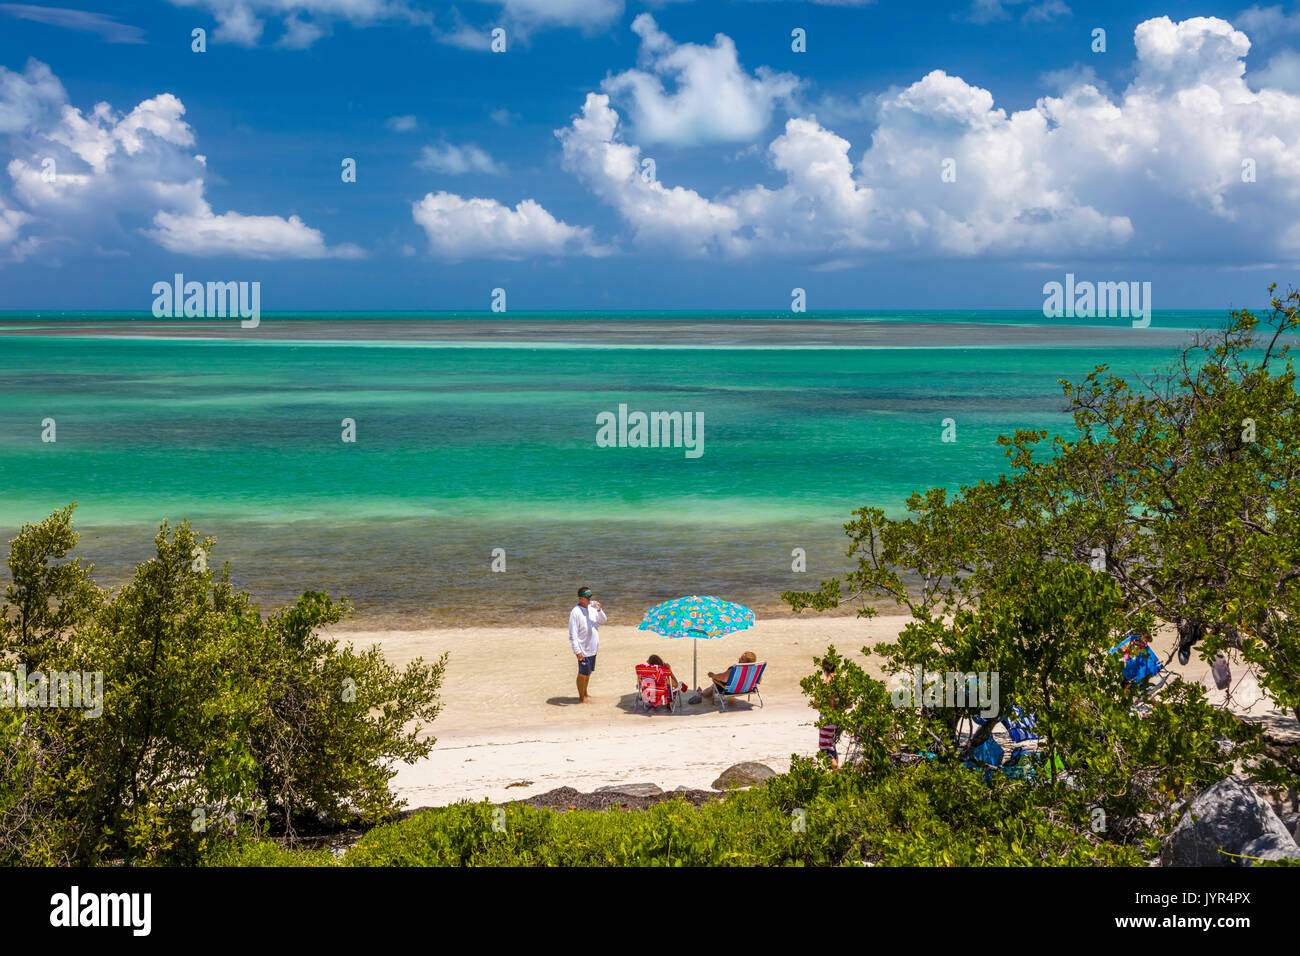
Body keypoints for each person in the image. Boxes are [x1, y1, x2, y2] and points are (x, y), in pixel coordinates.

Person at [569, 586, 606, 703]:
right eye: (587, 598)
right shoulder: (575, 612)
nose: (589, 600)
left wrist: (599, 609)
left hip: (593, 648)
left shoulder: (592, 608)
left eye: (590, 597)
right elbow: (573, 634)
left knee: (588, 672)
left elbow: (603, 620)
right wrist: (577, 651)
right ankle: (581, 698)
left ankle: (585, 692)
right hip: (583, 649)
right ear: (580, 598)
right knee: (582, 674)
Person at [817, 657, 841, 770]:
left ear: (824, 669)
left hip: (827, 720)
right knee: (832, 747)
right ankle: (837, 778)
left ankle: (837, 770)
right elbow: (850, 704)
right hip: (839, 720)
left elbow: (816, 704)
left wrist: (826, 707)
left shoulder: (824, 684)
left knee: (825, 749)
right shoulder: (840, 683)